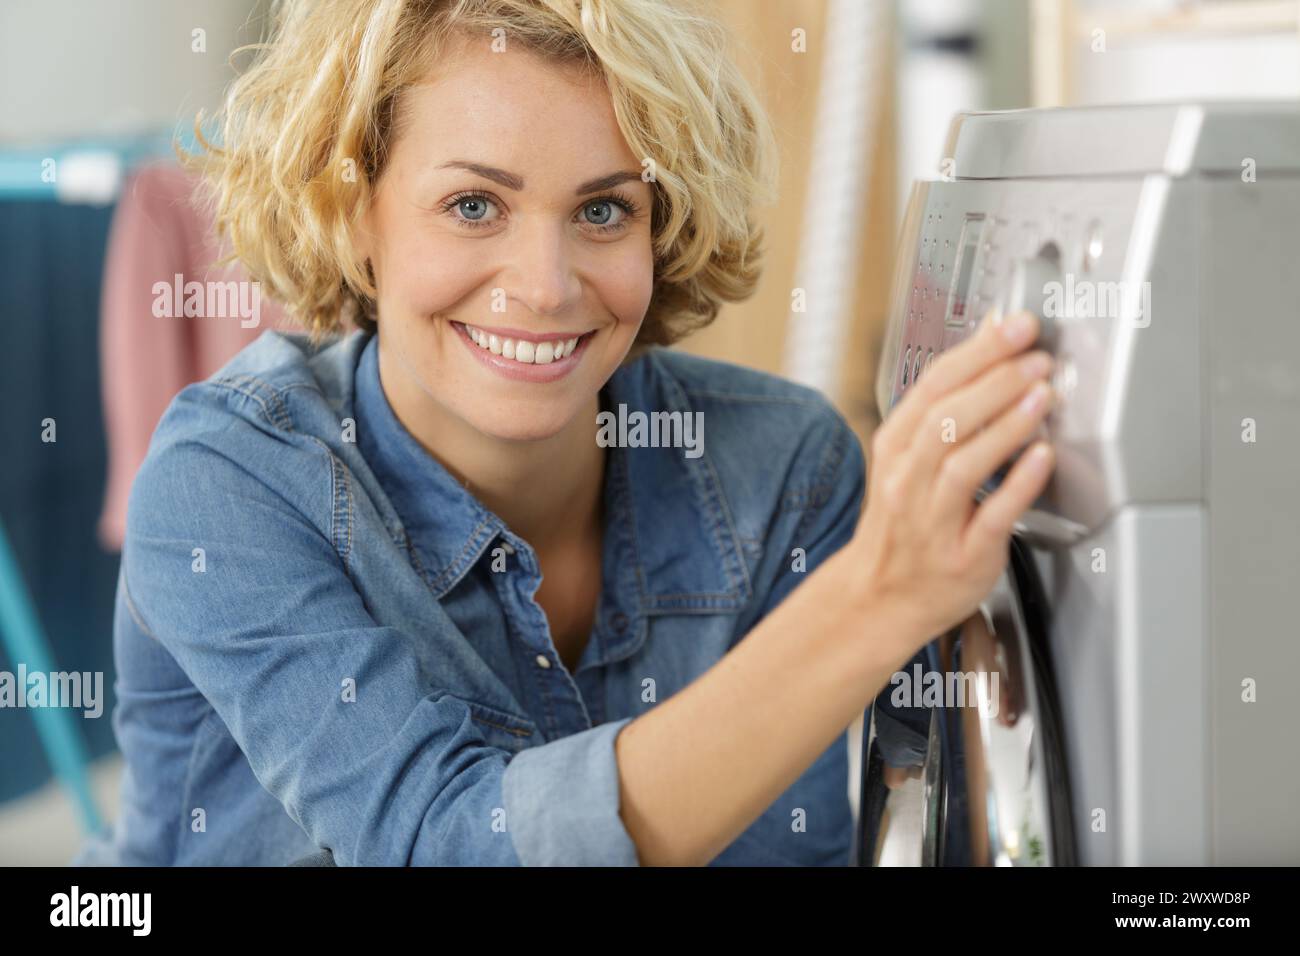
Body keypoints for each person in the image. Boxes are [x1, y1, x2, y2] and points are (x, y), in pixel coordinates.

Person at [83, 0, 1056, 866]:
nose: (545, 285)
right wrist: (869, 602)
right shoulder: (228, 479)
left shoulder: (783, 472)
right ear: (353, 211)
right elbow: (442, 841)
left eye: (602, 209)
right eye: (473, 205)